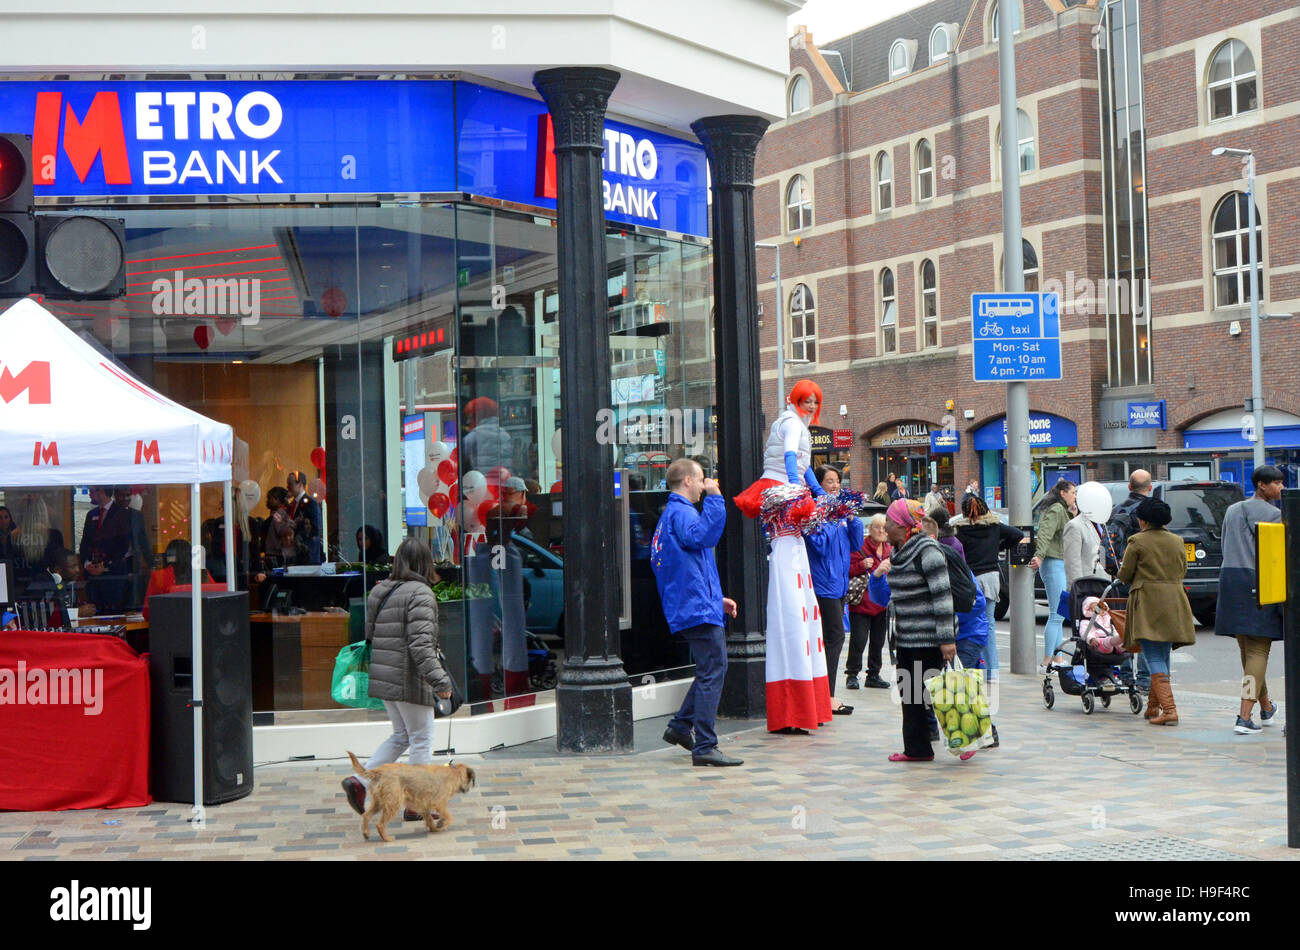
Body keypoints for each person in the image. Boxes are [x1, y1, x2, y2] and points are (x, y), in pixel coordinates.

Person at [733, 380, 833, 735]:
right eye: (806, 401)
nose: (810, 406)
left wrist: (816, 491)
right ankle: (796, 707)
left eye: (814, 402)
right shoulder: (792, 424)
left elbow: (803, 464)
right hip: (780, 494)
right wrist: (797, 490)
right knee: (793, 601)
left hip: (785, 508)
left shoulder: (794, 423)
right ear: (796, 400)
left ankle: (806, 706)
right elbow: (792, 458)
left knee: (798, 597)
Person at [341, 537, 454, 817]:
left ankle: (360, 781)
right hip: (408, 677)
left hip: (385, 674)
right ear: (425, 563)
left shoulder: (380, 591)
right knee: (421, 738)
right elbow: (420, 645)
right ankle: (416, 804)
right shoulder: (421, 594)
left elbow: (370, 636)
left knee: (402, 735)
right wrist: (440, 681)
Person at [652, 458, 742, 767]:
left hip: (695, 606)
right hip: (696, 608)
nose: (705, 486)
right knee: (713, 669)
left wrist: (716, 601)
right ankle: (705, 745)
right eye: (702, 480)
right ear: (688, 481)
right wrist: (716, 498)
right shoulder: (682, 513)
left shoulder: (671, 515)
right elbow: (704, 537)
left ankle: (681, 727)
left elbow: (689, 568)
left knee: (709, 669)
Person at [870, 499, 957, 762]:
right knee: (910, 697)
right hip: (906, 638)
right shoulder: (898, 552)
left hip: (929, 639)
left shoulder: (927, 550)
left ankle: (970, 734)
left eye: (891, 522)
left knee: (935, 695)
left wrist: (946, 640)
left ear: (906, 525)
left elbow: (943, 596)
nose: (886, 526)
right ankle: (917, 749)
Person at [1216, 465, 1285, 735]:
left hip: (1229, 580)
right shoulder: (1275, 515)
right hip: (1257, 582)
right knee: (1258, 652)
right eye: (1276, 484)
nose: (1280, 488)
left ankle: (1266, 707)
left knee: (1248, 651)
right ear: (1261, 486)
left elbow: (1223, 545)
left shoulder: (1232, 510)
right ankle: (1244, 716)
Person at [1117, 497, 1196, 726]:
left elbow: (1125, 574)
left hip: (1148, 601)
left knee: (1152, 654)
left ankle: (1169, 710)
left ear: (1143, 521)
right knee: (1162, 654)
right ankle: (1153, 707)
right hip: (1174, 600)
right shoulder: (1177, 540)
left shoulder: (1137, 541)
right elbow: (1183, 569)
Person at [804, 465, 863, 715]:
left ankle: (825, 694)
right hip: (824, 584)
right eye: (829, 481)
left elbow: (857, 543)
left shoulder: (836, 513)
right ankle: (825, 695)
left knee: (834, 638)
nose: (835, 485)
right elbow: (816, 545)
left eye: (837, 481)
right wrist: (830, 518)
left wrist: (851, 518)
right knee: (835, 636)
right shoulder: (817, 512)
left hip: (838, 585)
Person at [955, 495, 1026, 683]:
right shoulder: (995, 526)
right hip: (991, 579)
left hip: (971, 580)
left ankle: (973, 665)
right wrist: (1000, 546)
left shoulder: (961, 530)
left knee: (971, 625)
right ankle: (992, 671)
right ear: (985, 508)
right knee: (990, 624)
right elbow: (1018, 535)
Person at [1030, 479, 1076, 670]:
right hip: (1053, 563)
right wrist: (1039, 556)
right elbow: (1045, 533)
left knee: (1058, 614)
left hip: (1057, 563)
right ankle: (1048, 661)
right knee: (1056, 614)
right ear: (1063, 493)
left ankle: (1056, 659)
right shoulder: (1057, 509)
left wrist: (1073, 516)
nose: (1075, 496)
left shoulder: (1062, 510)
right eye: (1073, 492)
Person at [847, 514, 892, 690]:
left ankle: (873, 674)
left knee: (878, 641)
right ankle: (852, 674)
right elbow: (847, 570)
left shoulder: (890, 549)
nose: (881, 531)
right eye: (877, 527)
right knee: (858, 640)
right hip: (862, 603)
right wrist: (861, 565)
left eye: (884, 527)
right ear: (870, 529)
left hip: (882, 603)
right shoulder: (859, 547)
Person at [143, 538, 214, 620]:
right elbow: (215, 599)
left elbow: (147, 612)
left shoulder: (159, 576)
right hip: (202, 623)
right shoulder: (202, 574)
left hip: (171, 626)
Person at [1063, 501, 1109, 589]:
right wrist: (1077, 590)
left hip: (1104, 584)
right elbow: (1072, 562)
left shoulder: (1102, 523)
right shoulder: (1074, 525)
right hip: (1087, 586)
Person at [462, 397, 514, 473]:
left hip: (480, 482)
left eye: (470, 417)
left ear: (477, 416)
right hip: (503, 481)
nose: (468, 421)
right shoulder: (505, 435)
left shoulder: (471, 437)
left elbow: (464, 463)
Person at [286, 471, 323, 565]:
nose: (287, 487)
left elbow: (315, 529)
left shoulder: (311, 503)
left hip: (307, 558)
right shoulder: (291, 505)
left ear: (300, 485)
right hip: (295, 557)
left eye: (290, 484)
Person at [262, 486, 297, 568]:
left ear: (277, 500)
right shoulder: (285, 513)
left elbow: (282, 531)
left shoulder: (279, 513)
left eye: (270, 498)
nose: (268, 501)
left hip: (276, 553)